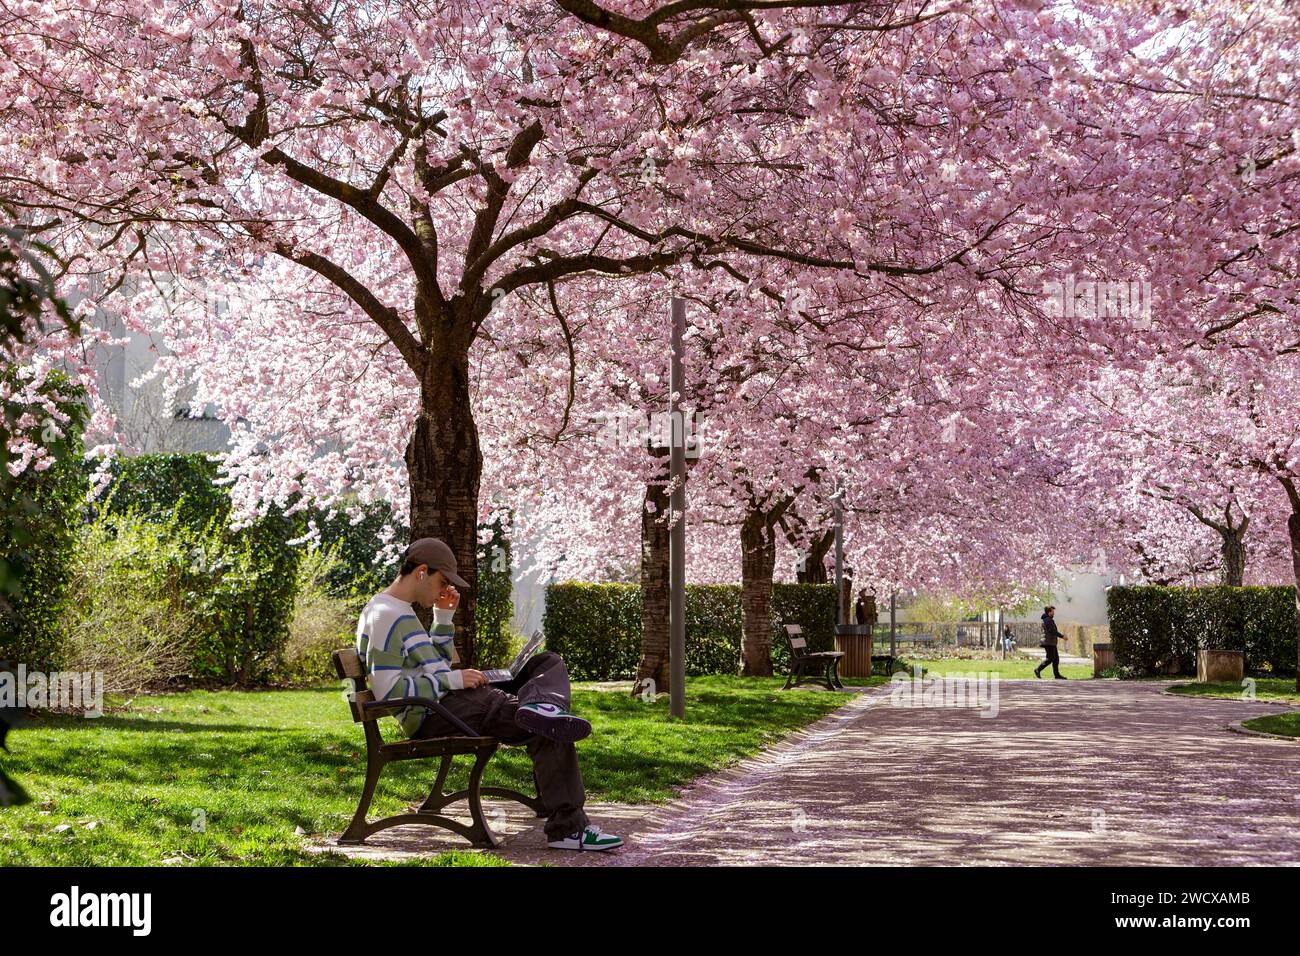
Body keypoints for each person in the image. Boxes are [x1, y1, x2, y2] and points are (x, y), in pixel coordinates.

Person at [355, 537, 622, 852]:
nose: (443, 590)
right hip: (431, 715)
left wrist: (443, 618)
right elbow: (389, 691)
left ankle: (544, 708)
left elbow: (436, 667)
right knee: (545, 723)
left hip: (445, 704)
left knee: (545, 664)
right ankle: (569, 828)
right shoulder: (386, 613)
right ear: (422, 572)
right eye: (442, 582)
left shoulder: (398, 609)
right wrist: (454, 680)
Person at [1035, 605, 1067, 679]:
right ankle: (1038, 670)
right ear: (1049, 612)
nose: (1054, 613)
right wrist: (1062, 636)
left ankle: (1057, 675)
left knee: (1056, 659)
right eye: (1053, 611)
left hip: (1050, 642)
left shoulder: (1048, 619)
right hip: (1048, 642)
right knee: (1050, 658)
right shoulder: (1048, 620)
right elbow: (1053, 631)